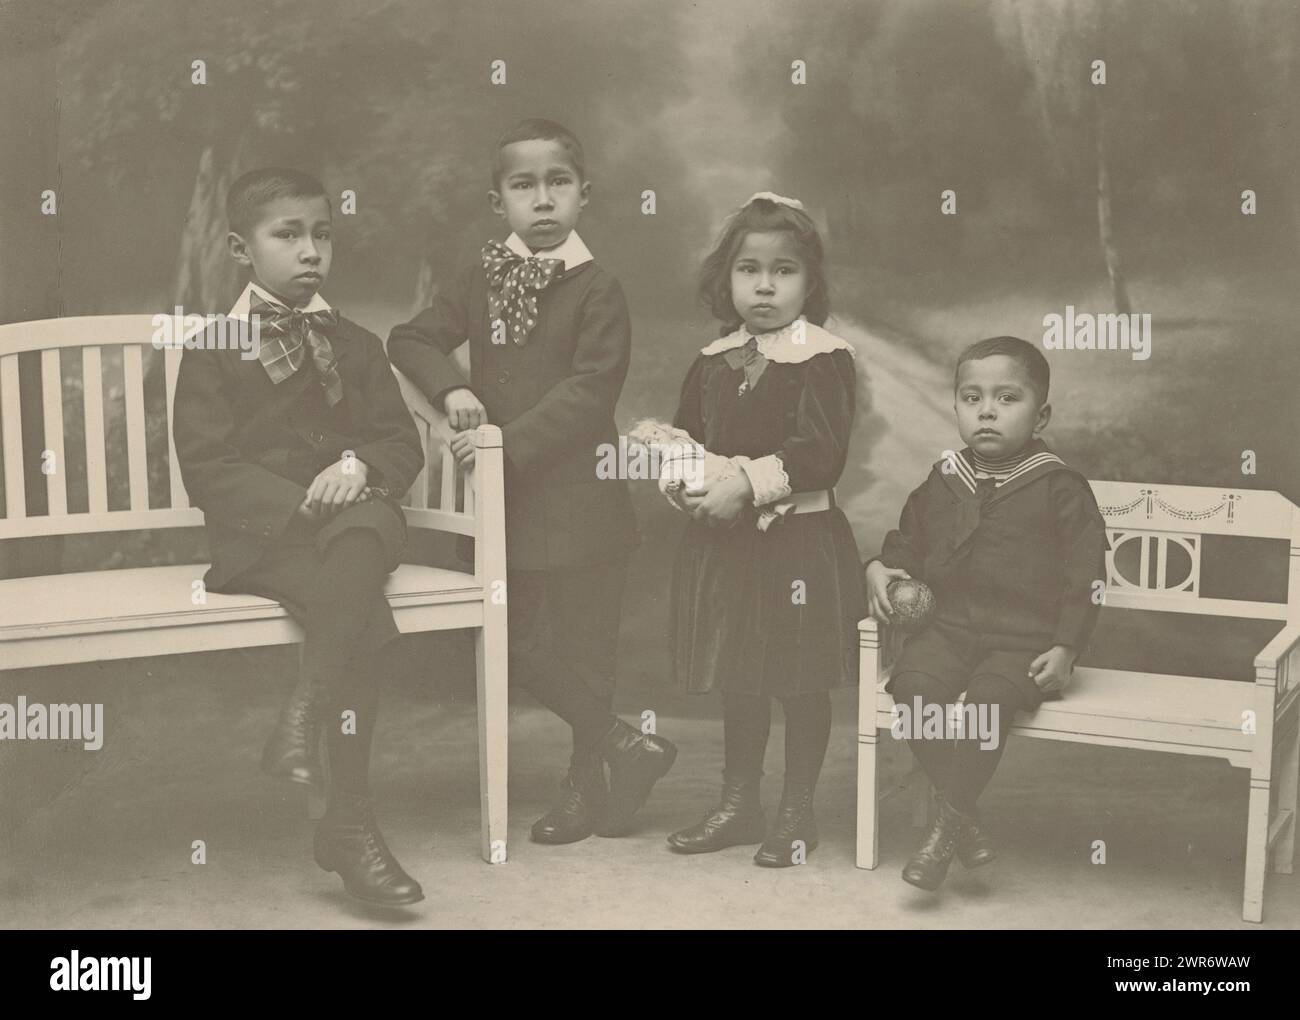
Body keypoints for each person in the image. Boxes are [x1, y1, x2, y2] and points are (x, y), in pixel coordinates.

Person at [388, 119, 676, 845]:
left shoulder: (599, 290)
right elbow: (411, 338)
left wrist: (502, 447)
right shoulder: (480, 277)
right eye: (524, 186)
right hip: (506, 509)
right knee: (503, 638)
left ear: (585, 195)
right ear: (499, 203)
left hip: (581, 501)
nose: (542, 200)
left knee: (585, 647)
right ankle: (627, 744)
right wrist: (453, 390)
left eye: (558, 184)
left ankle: (586, 786)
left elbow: (588, 391)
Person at [173, 167, 426, 906]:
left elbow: (400, 446)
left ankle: (304, 718)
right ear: (239, 248)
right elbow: (209, 467)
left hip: (352, 529)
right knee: (362, 613)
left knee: (373, 517)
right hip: (268, 539)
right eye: (287, 235)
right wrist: (301, 505)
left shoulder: (355, 342)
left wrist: (356, 464)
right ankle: (348, 825)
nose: (310, 249)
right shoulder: (216, 346)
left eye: (321, 234)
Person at [663, 192, 866, 868]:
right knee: (740, 674)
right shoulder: (713, 359)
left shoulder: (823, 358)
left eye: (784, 271)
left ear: (810, 283)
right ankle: (739, 802)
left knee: (799, 676)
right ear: (727, 279)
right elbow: (688, 439)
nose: (765, 285)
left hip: (798, 545)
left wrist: (746, 487)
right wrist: (685, 480)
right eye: (749, 269)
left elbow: (820, 453)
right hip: (728, 546)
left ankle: (796, 811)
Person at [864, 335, 1107, 891]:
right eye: (972, 399)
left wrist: (1067, 647)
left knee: (990, 703)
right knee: (912, 691)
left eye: (1006, 398)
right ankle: (964, 822)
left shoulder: (1058, 487)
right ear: (956, 409)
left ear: (1040, 413)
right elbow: (908, 541)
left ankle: (946, 826)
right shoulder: (945, 479)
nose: (987, 411)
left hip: (1022, 639)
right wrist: (879, 568)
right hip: (948, 631)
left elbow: (1086, 576)